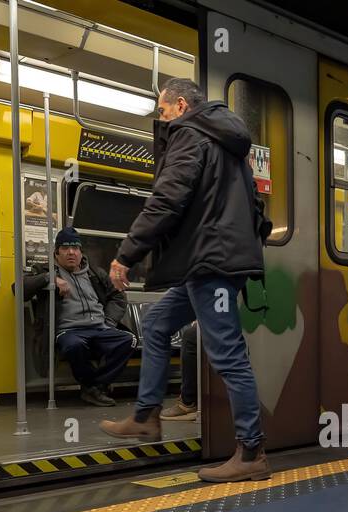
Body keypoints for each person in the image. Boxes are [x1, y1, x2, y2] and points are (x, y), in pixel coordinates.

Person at [101, 79, 271, 483]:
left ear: (179, 105)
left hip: (212, 264)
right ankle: (146, 416)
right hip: (209, 262)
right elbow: (256, 209)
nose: (161, 121)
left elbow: (167, 199)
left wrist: (127, 254)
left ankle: (252, 452)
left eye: (161, 113)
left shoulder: (191, 135)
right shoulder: (229, 148)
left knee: (229, 356)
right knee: (158, 325)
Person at [23, 227, 134, 407]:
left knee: (128, 340)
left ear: (81, 252)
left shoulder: (95, 273)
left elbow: (118, 296)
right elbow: (19, 289)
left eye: (75, 248)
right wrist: (49, 278)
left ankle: (93, 387)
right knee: (74, 346)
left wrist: (110, 321)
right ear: (56, 252)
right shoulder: (44, 270)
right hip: (69, 330)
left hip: (99, 327)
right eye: (65, 248)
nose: (71, 252)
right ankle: (95, 389)